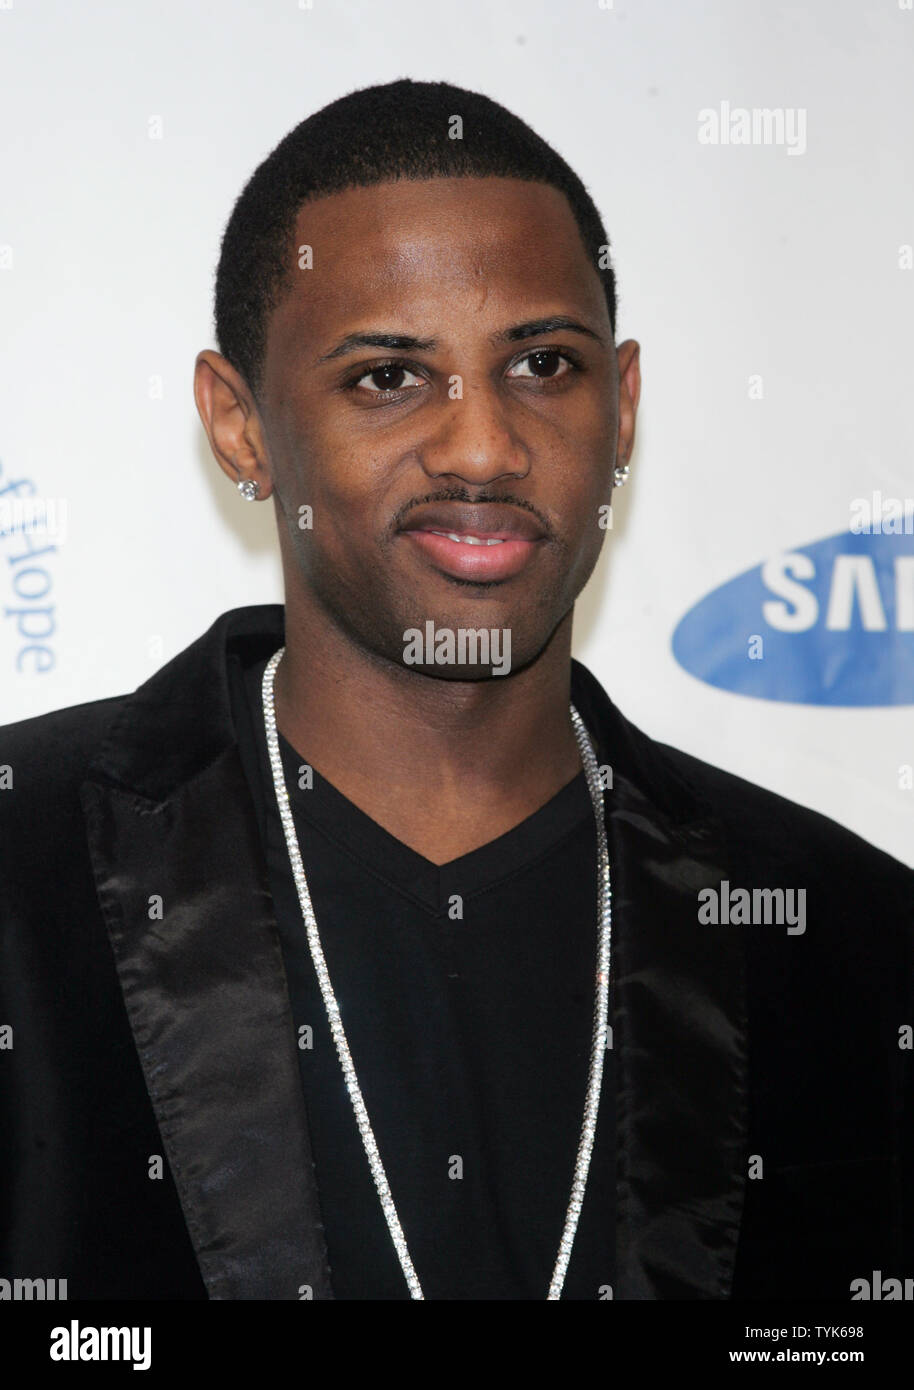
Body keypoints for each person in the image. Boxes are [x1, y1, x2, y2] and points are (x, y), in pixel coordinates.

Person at [1, 78, 911, 1302]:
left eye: (541, 363)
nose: (482, 445)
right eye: (387, 377)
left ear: (622, 403)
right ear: (240, 426)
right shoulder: (24, 880)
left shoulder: (849, 936)